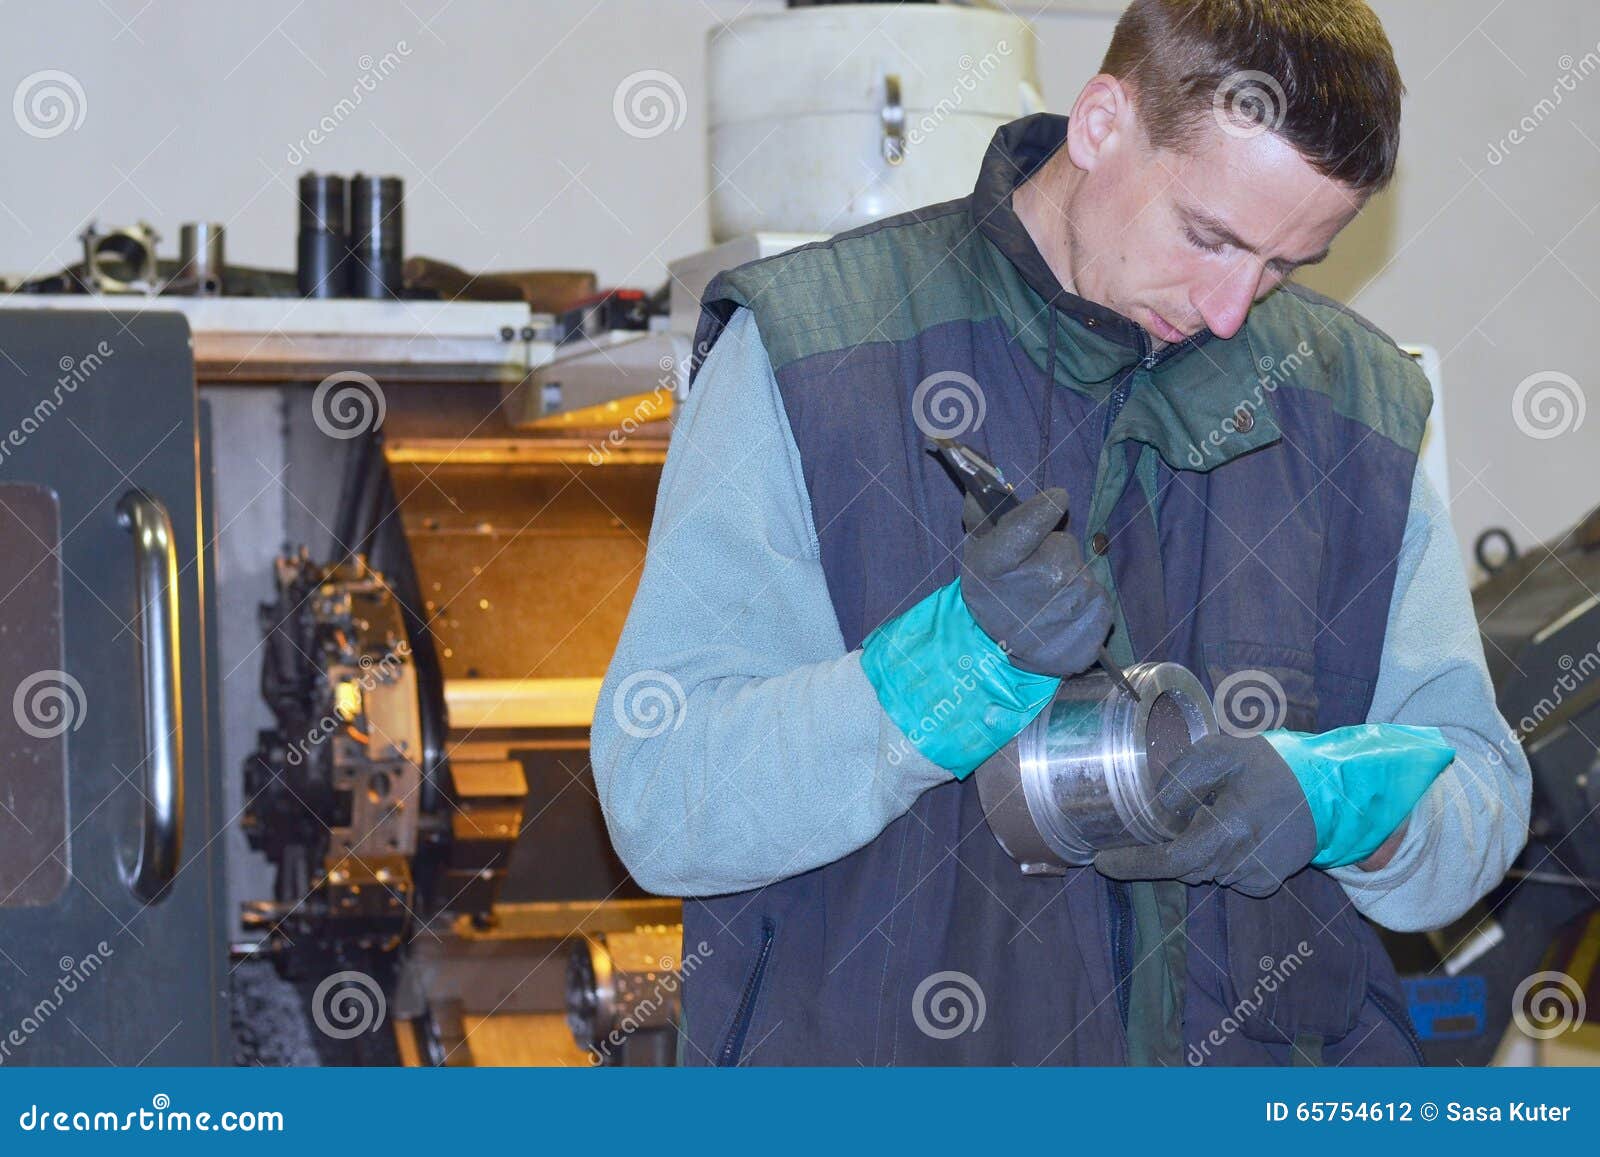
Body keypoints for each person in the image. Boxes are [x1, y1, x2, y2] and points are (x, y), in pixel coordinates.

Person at [593, 0, 1530, 1066]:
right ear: (1100, 123)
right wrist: (943, 672)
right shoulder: (819, 354)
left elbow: (1482, 797)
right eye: (1209, 236)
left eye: (1285, 265)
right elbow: (661, 800)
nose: (1232, 308)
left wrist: (1345, 805)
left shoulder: (1352, 407)